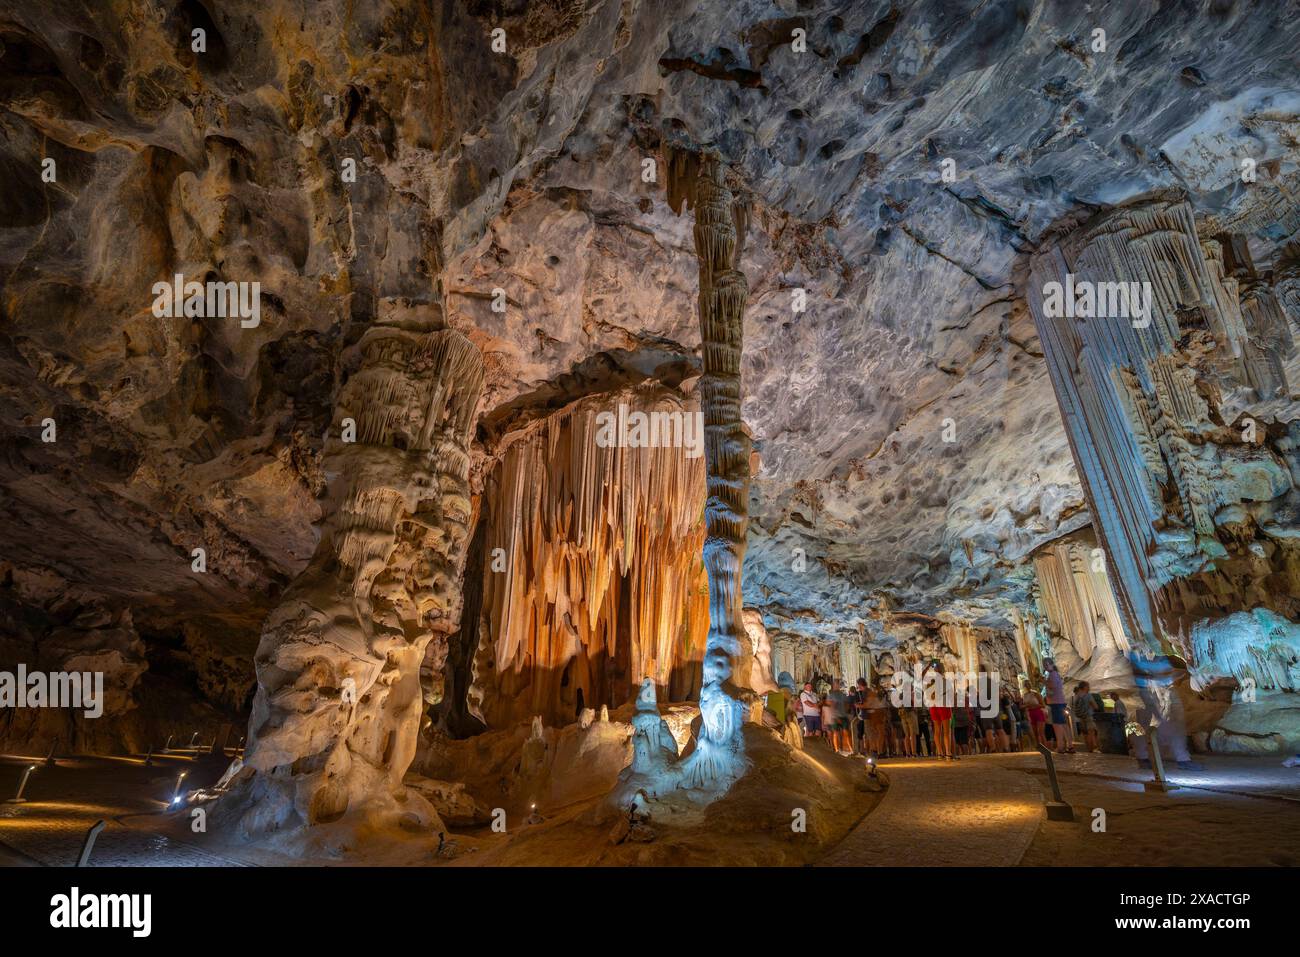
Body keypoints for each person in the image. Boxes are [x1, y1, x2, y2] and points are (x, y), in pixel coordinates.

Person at [1043, 658, 1074, 754]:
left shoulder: (1053, 675)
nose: (1045, 666)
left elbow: (1052, 686)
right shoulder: (1055, 674)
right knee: (1063, 725)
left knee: (1057, 725)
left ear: (1051, 664)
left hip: (1056, 704)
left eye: (1046, 664)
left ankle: (1061, 746)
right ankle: (1070, 745)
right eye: (1044, 665)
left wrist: (1043, 681)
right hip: (1059, 703)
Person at [1072, 681, 1100, 752]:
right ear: (1084, 687)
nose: (1089, 688)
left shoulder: (1077, 696)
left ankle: (1088, 749)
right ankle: (1092, 748)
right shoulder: (1088, 695)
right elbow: (1096, 706)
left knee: (1085, 734)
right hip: (1089, 716)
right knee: (1091, 732)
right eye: (1088, 686)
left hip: (1081, 717)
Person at [826, 678, 851, 755]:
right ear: (833, 686)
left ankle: (846, 748)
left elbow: (847, 705)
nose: (837, 686)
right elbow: (830, 706)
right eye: (835, 684)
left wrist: (846, 711)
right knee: (836, 732)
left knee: (845, 732)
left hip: (843, 715)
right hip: (835, 717)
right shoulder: (831, 695)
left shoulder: (843, 695)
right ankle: (837, 749)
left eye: (838, 684)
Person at [1022, 682, 1048, 748]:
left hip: (1038, 712)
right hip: (1030, 713)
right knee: (1035, 733)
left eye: (1028, 685)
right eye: (1026, 685)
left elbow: (1043, 705)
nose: (1027, 687)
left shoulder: (1036, 694)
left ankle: (1045, 747)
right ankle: (1039, 747)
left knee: (1040, 732)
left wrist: (1035, 705)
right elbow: (1022, 706)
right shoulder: (1024, 696)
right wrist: (1026, 706)